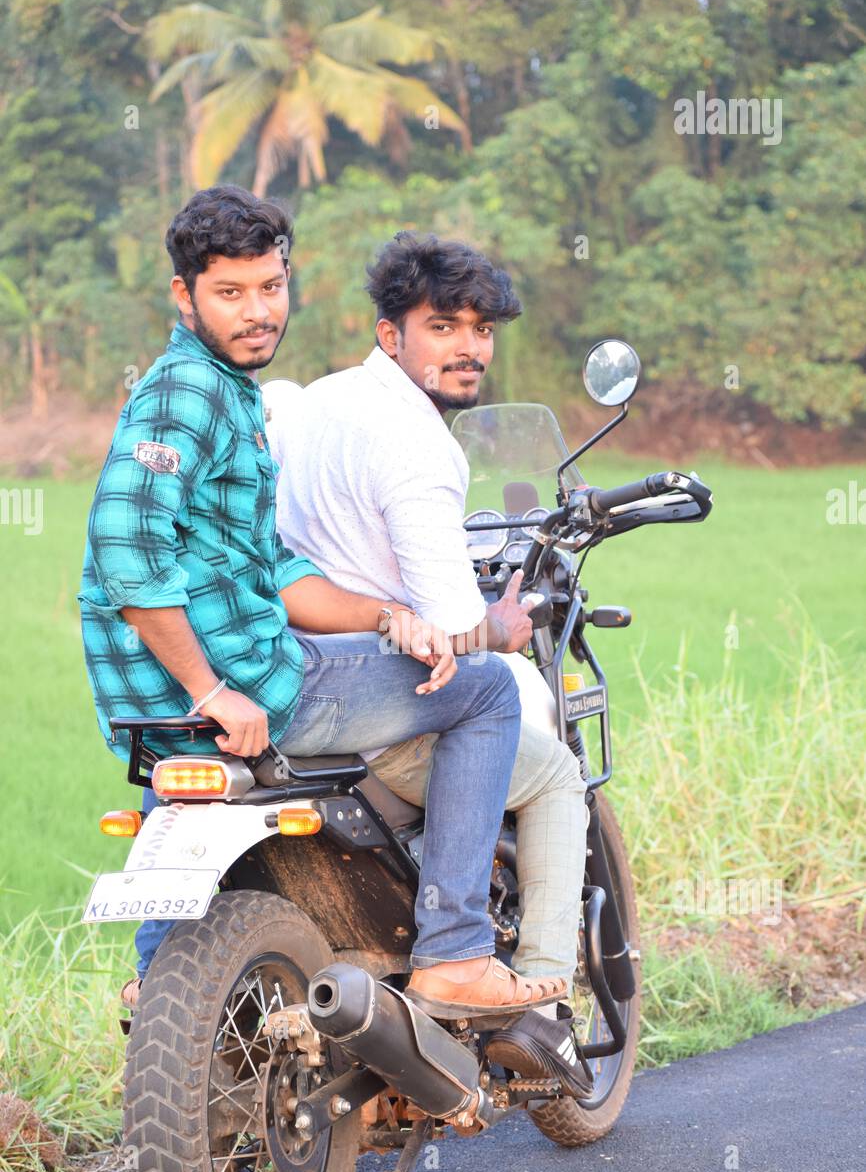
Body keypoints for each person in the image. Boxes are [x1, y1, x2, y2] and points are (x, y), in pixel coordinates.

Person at [78, 186, 567, 1026]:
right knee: (486, 688)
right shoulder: (186, 395)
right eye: (230, 292)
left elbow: (273, 568)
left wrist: (384, 617)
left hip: (170, 708)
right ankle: (456, 953)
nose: (258, 311)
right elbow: (125, 550)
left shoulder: (232, 391)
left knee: (189, 759)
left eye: (271, 286)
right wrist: (210, 690)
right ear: (185, 295)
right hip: (256, 684)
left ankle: (160, 978)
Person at [265, 231, 591, 1093]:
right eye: (443, 327)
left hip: (290, 671)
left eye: (482, 330)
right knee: (551, 769)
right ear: (391, 334)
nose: (469, 347)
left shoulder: (318, 403)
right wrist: (504, 624)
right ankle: (530, 997)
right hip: (374, 701)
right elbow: (453, 625)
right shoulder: (419, 445)